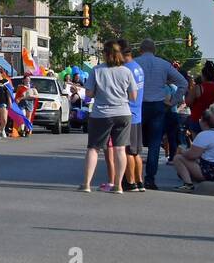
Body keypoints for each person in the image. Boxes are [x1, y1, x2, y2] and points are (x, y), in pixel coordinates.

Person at [79, 40, 138, 193]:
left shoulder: (97, 70)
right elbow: (133, 96)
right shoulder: (126, 72)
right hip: (123, 113)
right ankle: (118, 185)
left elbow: (89, 94)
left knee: (93, 148)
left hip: (101, 114)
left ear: (105, 54)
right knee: (120, 149)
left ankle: (86, 184)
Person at [134, 39, 188, 190]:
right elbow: (183, 83)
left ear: (140, 50)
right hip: (158, 106)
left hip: (139, 105)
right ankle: (150, 178)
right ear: (154, 50)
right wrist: (173, 101)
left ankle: (132, 176)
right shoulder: (164, 65)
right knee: (155, 143)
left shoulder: (134, 64)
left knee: (134, 142)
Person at [171, 105, 214, 191]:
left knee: (178, 158)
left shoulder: (204, 135)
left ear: (204, 122)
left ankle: (188, 184)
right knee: (197, 160)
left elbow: (191, 155)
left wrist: (181, 151)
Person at [117, 38, 146, 192]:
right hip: (138, 113)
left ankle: (131, 181)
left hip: (128, 113)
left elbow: (126, 93)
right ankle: (140, 181)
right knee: (136, 152)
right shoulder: (138, 68)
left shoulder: (126, 70)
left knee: (127, 151)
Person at [187, 61, 214, 135]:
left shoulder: (198, 88)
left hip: (198, 119)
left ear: (203, 76)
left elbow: (188, 102)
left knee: (198, 142)